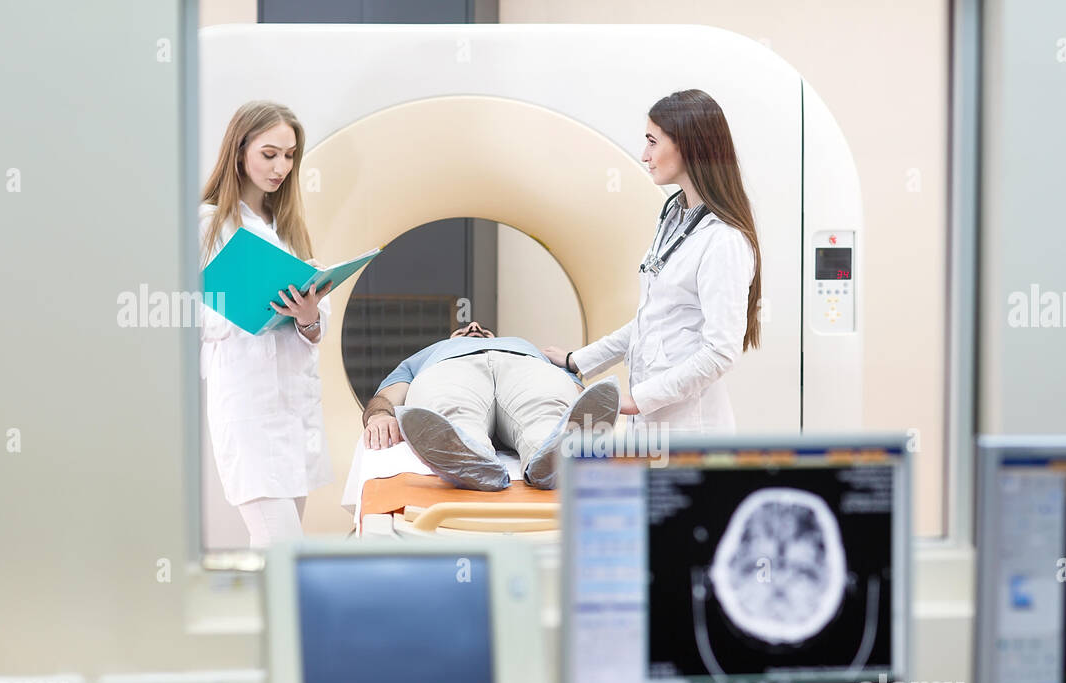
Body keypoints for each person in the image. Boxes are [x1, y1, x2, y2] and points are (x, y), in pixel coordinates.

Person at [543, 89, 762, 434]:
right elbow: (652, 320)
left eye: (652, 142)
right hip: (651, 425)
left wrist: (637, 399)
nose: (645, 155)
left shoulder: (723, 240)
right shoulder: (676, 218)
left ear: (688, 146)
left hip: (691, 430)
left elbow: (721, 352)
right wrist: (578, 360)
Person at [199, 101, 333, 548]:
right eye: (269, 154)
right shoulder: (208, 223)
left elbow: (315, 330)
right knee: (282, 551)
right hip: (249, 408)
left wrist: (308, 316)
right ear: (240, 152)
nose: (281, 167)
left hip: (293, 412)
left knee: (276, 556)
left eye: (290, 155)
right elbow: (195, 316)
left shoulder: (288, 227)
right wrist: (257, 302)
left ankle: (271, 619)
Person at [361, 321, 620, 491]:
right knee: (451, 411)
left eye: (482, 328)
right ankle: (470, 456)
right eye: (463, 329)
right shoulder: (427, 354)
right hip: (451, 369)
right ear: (450, 338)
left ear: (495, 336)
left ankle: (552, 452)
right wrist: (379, 417)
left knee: (547, 412)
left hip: (524, 365)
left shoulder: (527, 347)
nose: (474, 325)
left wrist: (580, 405)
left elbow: (570, 387)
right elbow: (385, 397)